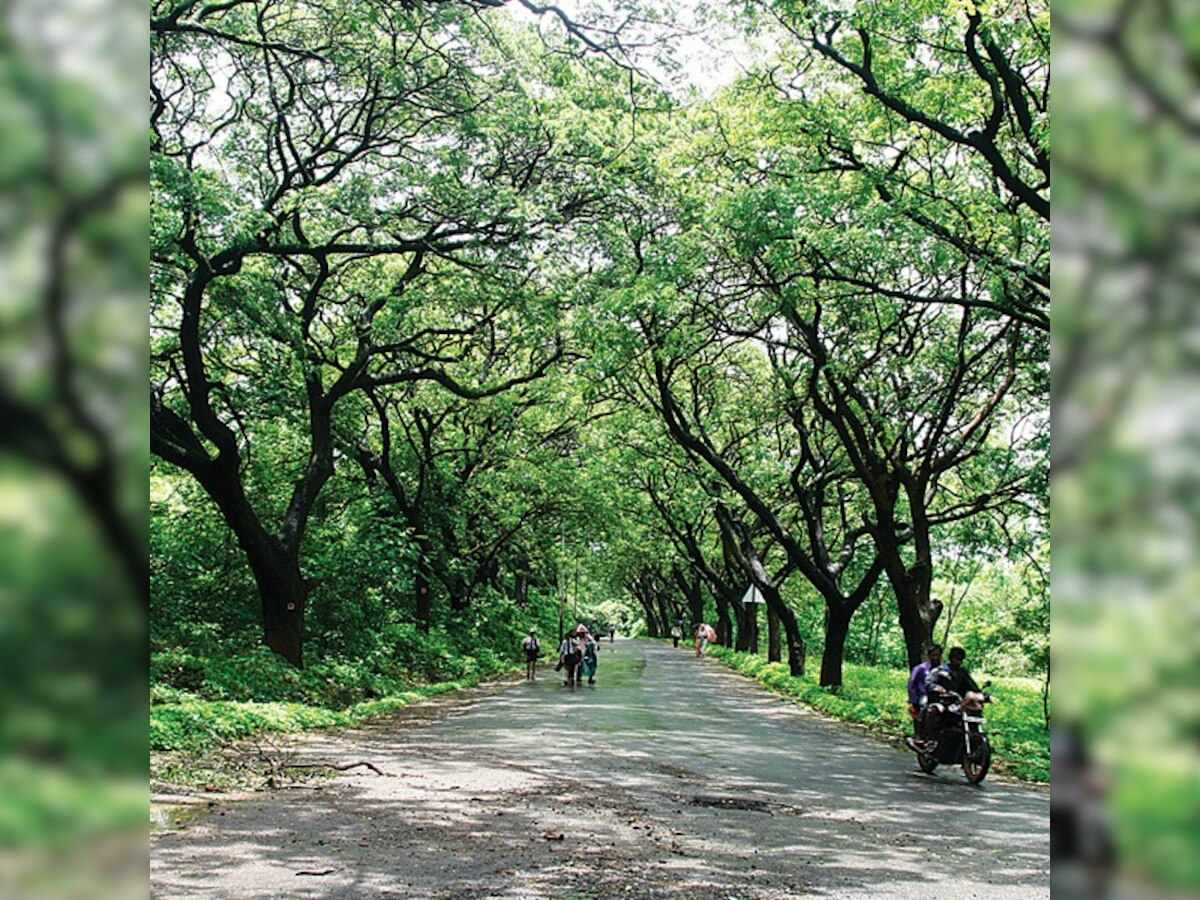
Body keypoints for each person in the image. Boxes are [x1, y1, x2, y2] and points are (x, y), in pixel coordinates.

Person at [904, 643, 943, 750]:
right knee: (925, 706)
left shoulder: (944, 668)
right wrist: (913, 701)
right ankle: (921, 735)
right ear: (929, 655)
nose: (936, 658)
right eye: (933, 655)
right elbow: (911, 684)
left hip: (942, 696)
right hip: (925, 695)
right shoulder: (921, 669)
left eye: (938, 655)